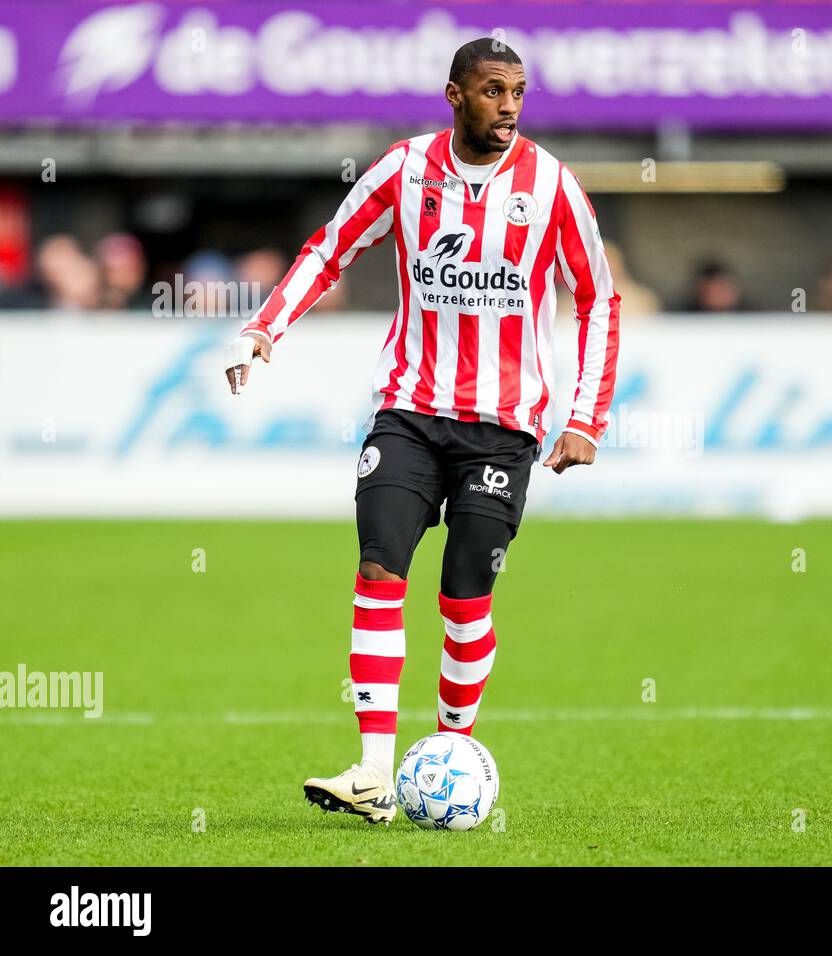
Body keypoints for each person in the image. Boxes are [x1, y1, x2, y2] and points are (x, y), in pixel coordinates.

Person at [221, 38, 620, 825]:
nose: (509, 104)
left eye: (519, 91)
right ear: (454, 95)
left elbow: (598, 298)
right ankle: (373, 772)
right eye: (492, 90)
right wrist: (265, 329)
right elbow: (330, 248)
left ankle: (448, 752)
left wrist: (586, 418)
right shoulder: (403, 170)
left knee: (464, 601)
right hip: (407, 412)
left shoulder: (553, 188)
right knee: (378, 572)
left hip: (503, 429)